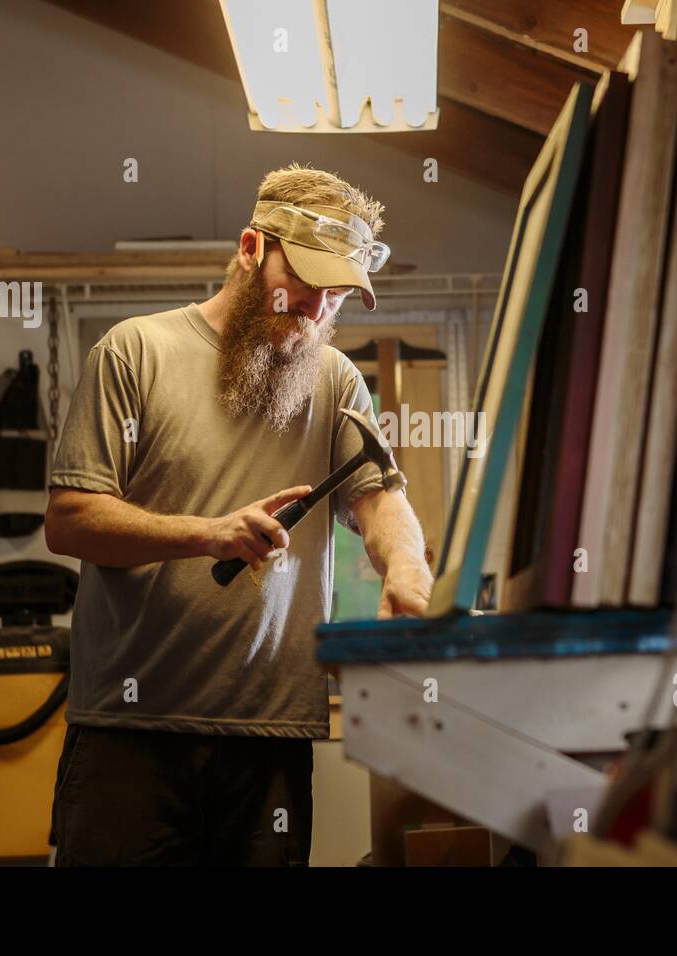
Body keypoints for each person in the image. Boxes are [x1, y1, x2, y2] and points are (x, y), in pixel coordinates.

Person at [44, 164, 433, 865]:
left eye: (336, 297)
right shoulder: (135, 354)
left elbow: (381, 497)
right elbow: (70, 520)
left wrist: (405, 565)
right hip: (131, 733)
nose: (316, 311)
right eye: (306, 286)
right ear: (253, 249)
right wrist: (206, 533)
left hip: (269, 741)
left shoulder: (335, 381)